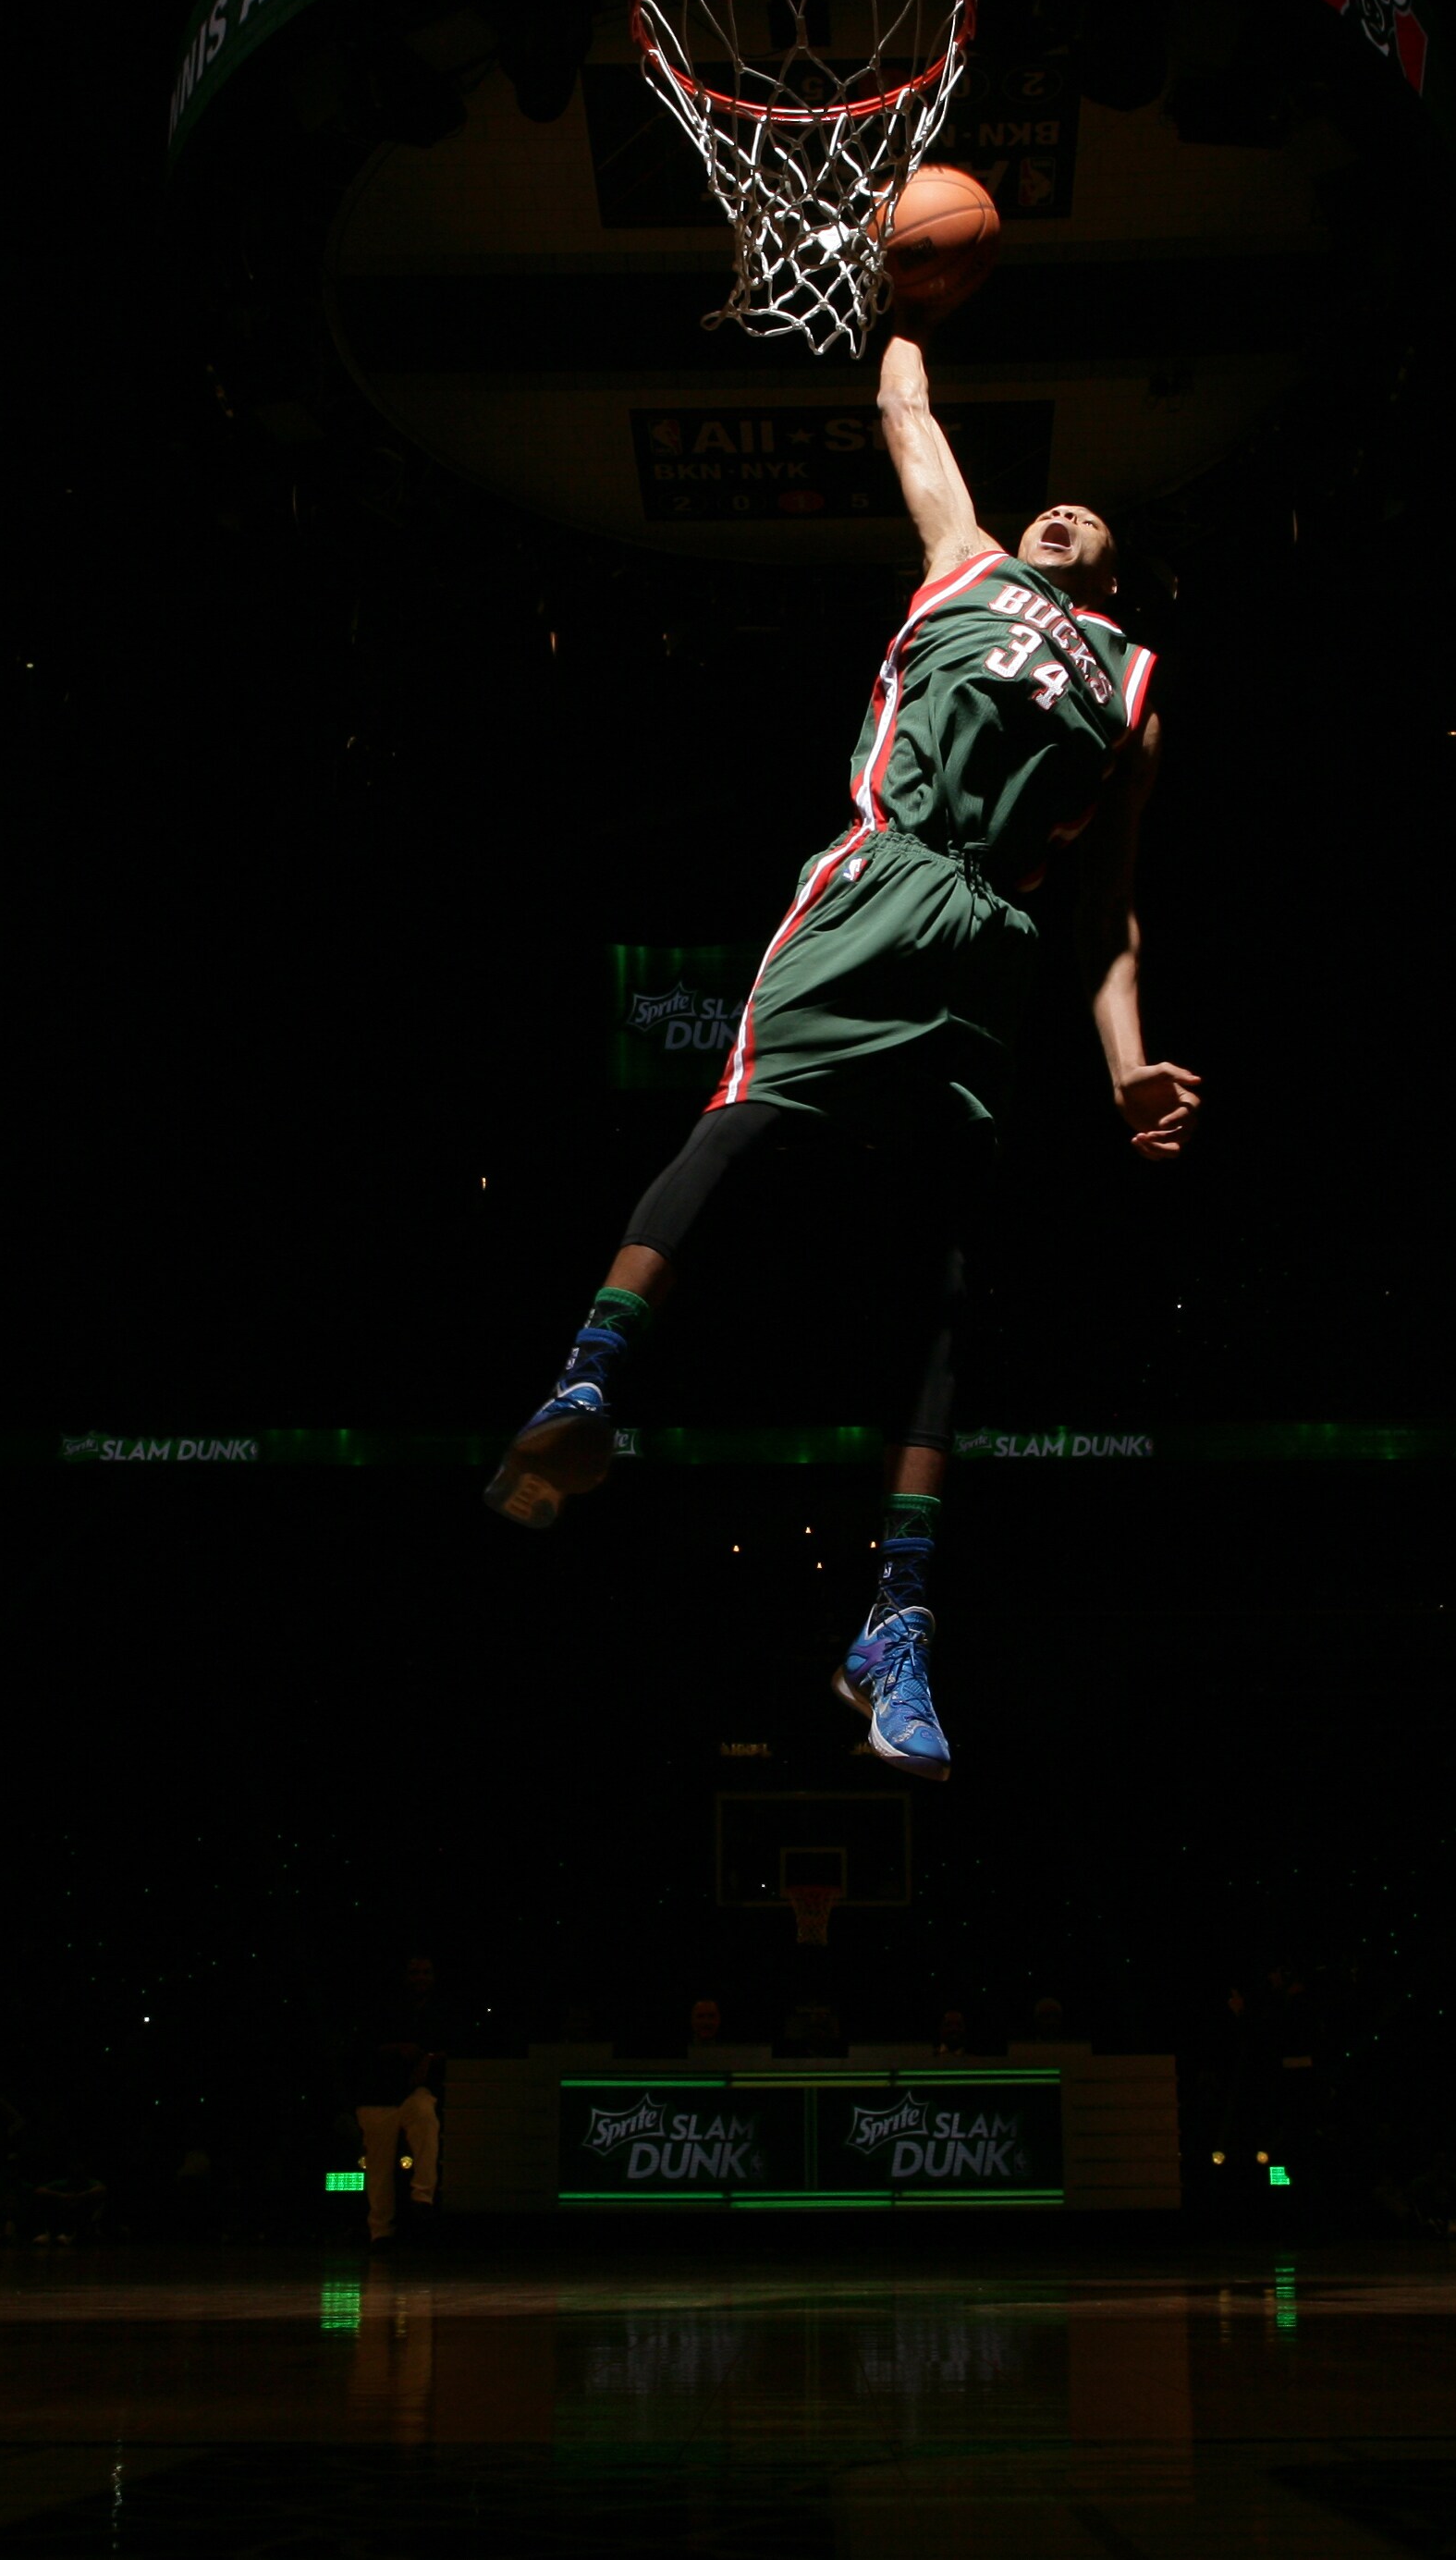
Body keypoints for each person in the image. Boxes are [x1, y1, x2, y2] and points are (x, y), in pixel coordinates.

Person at [480, 314, 1199, 1781]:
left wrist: (1124, 1057)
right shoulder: (968, 561)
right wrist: (891, 278)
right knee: (739, 1126)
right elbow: (904, 411)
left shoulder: (1130, 689)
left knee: (946, 1280)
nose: (1061, 512)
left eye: (1090, 516)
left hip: (992, 937)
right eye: (1049, 503)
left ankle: (898, 1615)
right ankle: (584, 1384)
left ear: (1115, 571)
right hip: (880, 877)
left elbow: (1109, 909)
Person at [350, 1954, 450, 2248]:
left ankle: (422, 2195)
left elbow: (454, 2046)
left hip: (412, 2092)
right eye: (414, 1972)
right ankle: (380, 2230)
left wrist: (429, 2059)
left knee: (425, 2120)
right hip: (378, 2096)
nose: (420, 1978)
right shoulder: (383, 2009)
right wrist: (397, 2050)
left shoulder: (440, 2012)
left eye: (426, 1972)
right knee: (378, 2166)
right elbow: (362, 2047)